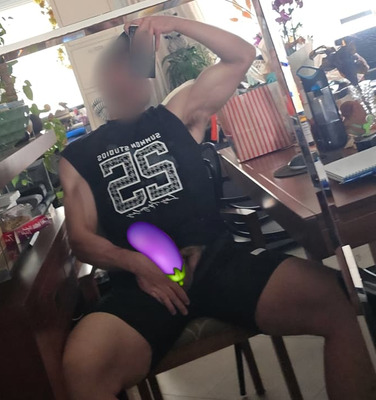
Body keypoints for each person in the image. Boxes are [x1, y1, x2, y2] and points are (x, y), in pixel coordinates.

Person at [60, 16, 376, 400]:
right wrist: (136, 264)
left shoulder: (176, 113)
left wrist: (171, 22)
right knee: (82, 369)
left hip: (218, 262)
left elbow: (241, 55)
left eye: (139, 67)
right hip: (145, 287)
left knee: (337, 299)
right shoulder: (78, 156)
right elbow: (80, 239)